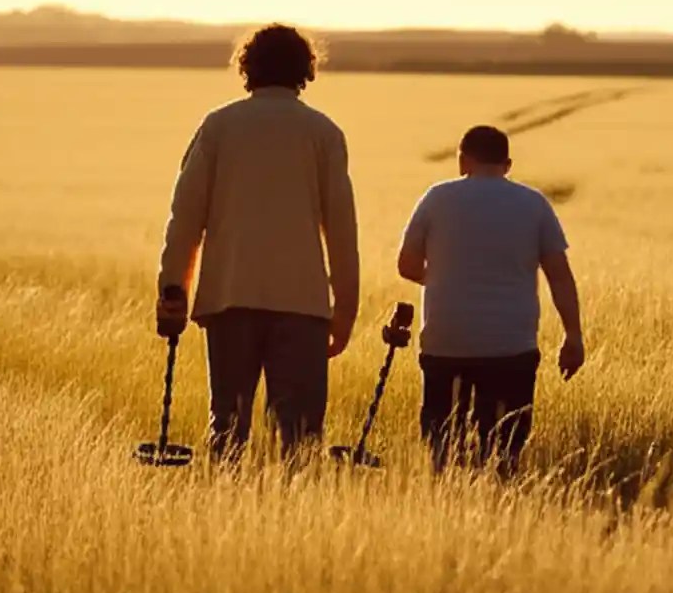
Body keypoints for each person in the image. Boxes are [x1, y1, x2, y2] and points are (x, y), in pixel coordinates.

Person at [156, 24, 359, 464]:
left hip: (230, 299)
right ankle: (294, 522)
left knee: (226, 427)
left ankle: (224, 515)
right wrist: (345, 307)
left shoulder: (218, 126)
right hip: (303, 303)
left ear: (247, 67)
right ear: (306, 70)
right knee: (301, 437)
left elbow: (185, 218)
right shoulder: (324, 133)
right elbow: (342, 230)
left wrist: (172, 289)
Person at [397, 125, 584, 479]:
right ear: (508, 164)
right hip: (511, 347)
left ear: (462, 160)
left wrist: (441, 278)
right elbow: (560, 275)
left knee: (443, 444)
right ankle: (498, 508)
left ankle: (443, 510)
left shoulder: (437, 197)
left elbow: (407, 266)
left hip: (445, 343)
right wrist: (572, 335)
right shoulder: (534, 203)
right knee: (504, 449)